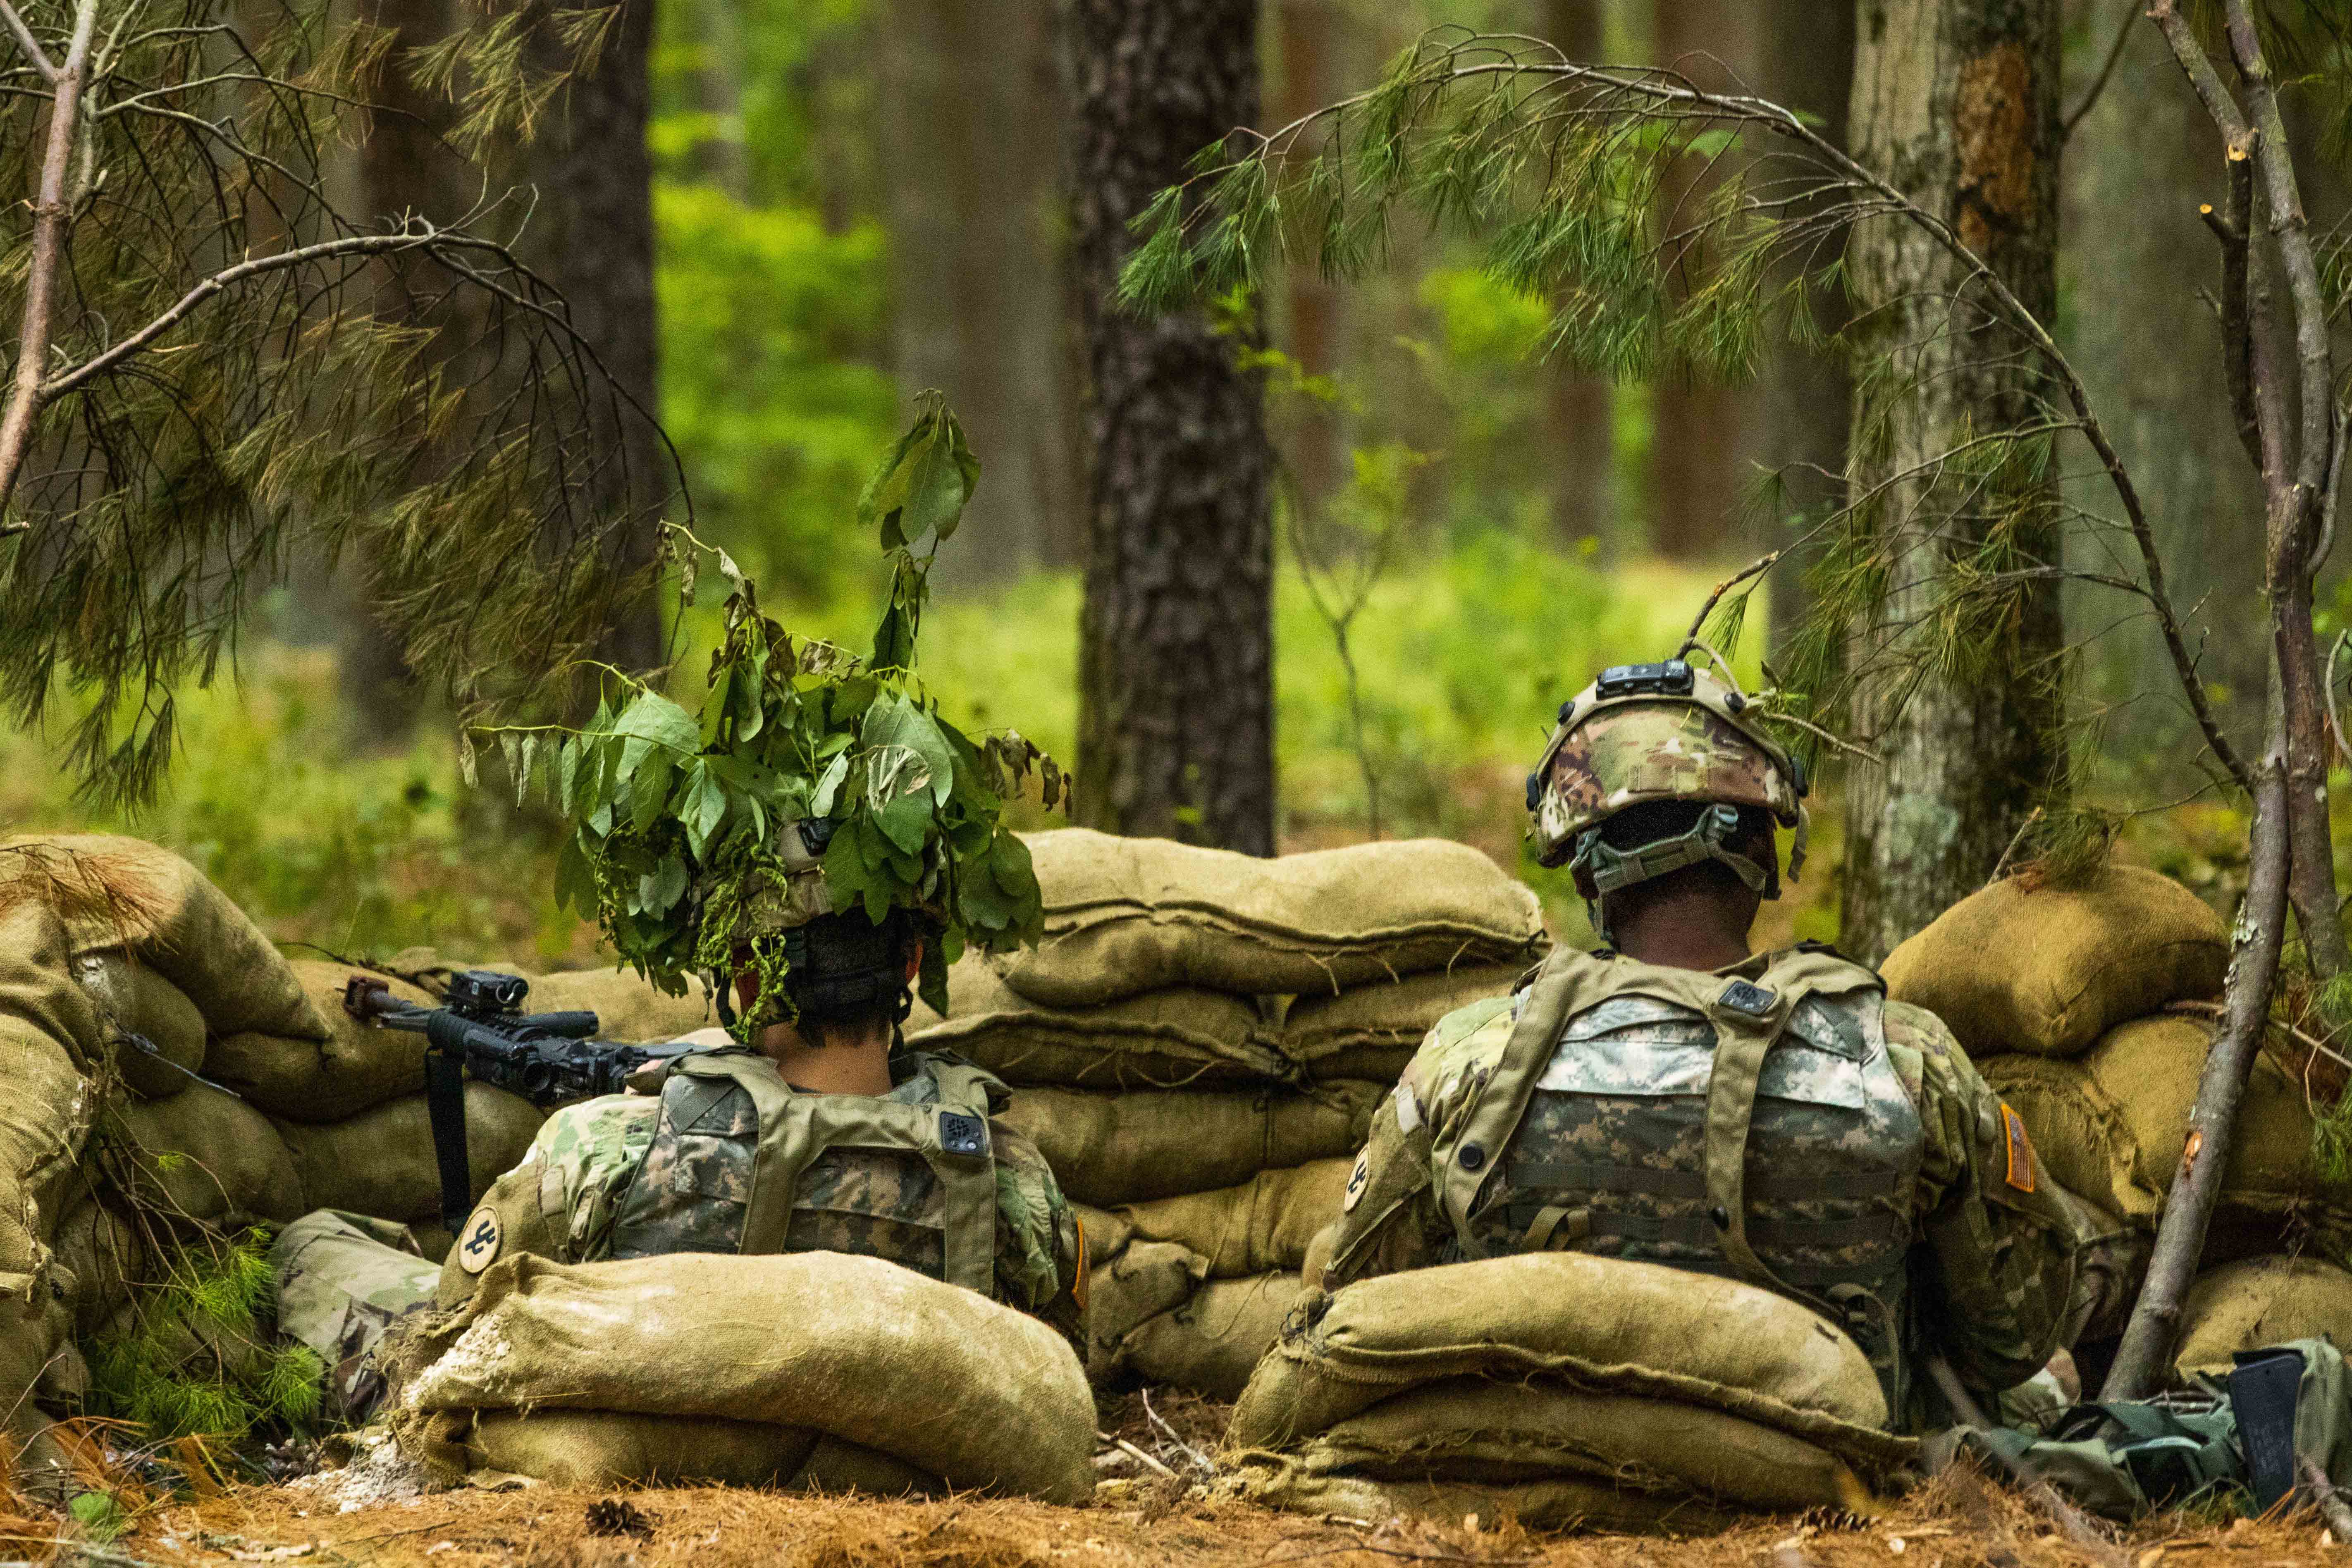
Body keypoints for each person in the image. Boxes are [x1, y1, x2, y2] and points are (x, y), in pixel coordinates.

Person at [1314, 657, 2097, 1430]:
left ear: (1589, 880)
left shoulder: (1469, 1058)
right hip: (1833, 1483)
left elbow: (1357, 1297)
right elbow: (2014, 1336)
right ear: (1761, 853)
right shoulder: (1902, 1057)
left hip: (1533, 1463)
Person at [273, 821, 1086, 1424]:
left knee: (317, 1240)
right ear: (911, 964)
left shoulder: (611, 1147)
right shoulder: (1004, 1172)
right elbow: (1062, 1368)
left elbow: (448, 1332)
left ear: (743, 975)